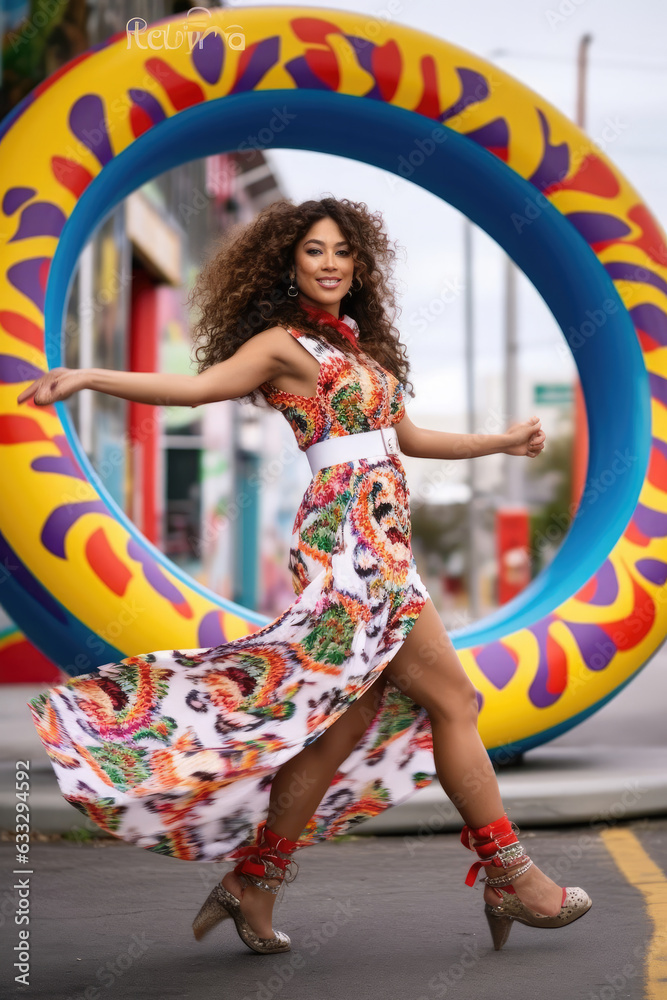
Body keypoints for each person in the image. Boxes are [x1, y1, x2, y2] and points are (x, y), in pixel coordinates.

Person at [18, 196, 591, 957]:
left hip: (383, 543)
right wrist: (90, 376)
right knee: (453, 699)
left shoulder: (362, 351)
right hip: (348, 545)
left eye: (342, 251)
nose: (328, 263)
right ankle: (511, 876)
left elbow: (407, 437)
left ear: (360, 267)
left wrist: (500, 440)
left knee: (339, 729)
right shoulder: (283, 346)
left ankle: (252, 882)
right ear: (289, 261)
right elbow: (196, 388)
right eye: (314, 250)